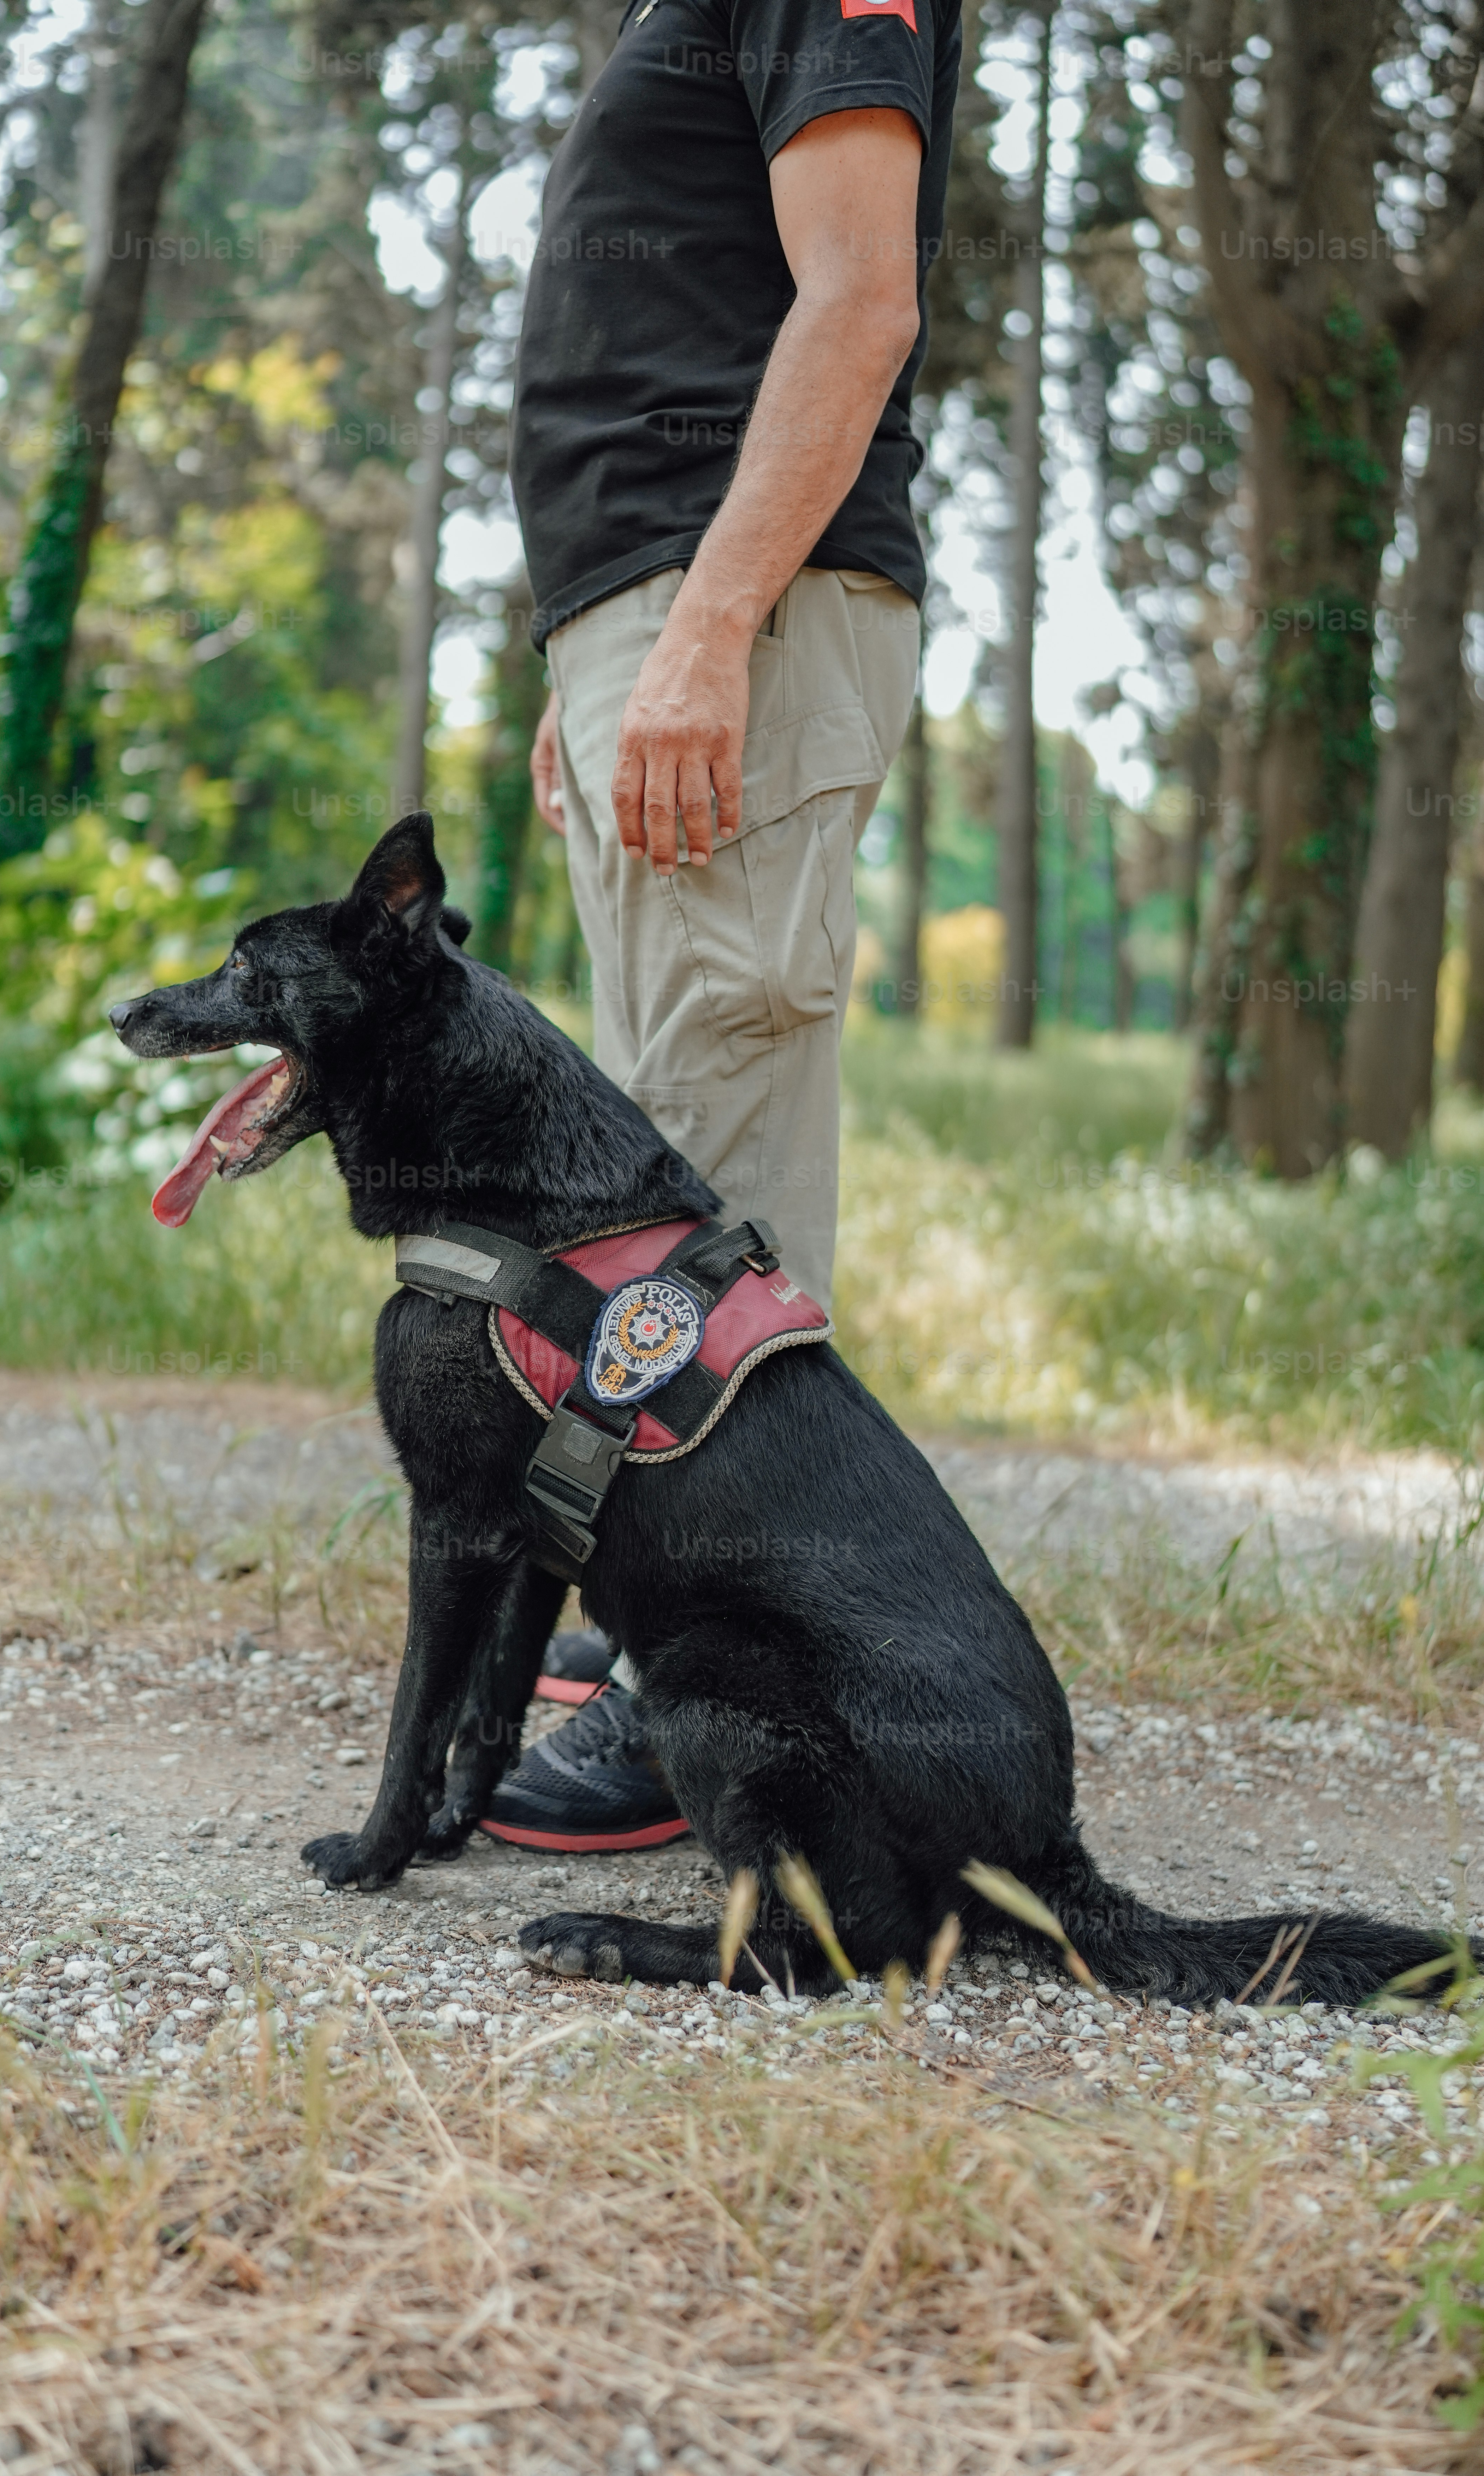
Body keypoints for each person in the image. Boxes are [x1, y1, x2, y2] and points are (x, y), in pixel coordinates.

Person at [475, 0, 963, 1852]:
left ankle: (759, 1694)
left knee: (707, 1199)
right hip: (666, 606)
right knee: (659, 1182)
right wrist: (604, 630)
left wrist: (696, 629)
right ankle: (666, 1639)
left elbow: (861, 301)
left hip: (732, 614)